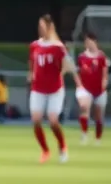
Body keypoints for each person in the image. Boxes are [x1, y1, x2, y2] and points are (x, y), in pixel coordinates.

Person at [28, 14, 77, 163]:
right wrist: (31, 74)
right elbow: (31, 62)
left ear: (49, 28)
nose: (40, 29)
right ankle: (45, 150)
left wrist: (64, 71)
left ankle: (62, 147)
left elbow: (68, 65)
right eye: (39, 26)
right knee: (36, 120)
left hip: (55, 88)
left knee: (53, 121)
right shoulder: (35, 45)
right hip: (38, 88)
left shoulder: (58, 47)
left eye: (42, 26)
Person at [75, 31, 109, 145]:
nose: (88, 44)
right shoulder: (81, 57)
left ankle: (98, 138)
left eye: (89, 41)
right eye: (86, 41)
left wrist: (104, 82)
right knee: (84, 107)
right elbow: (78, 72)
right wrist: (79, 84)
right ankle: (84, 134)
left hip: (99, 90)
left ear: (94, 42)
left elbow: (105, 73)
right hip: (85, 88)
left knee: (98, 116)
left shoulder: (101, 56)